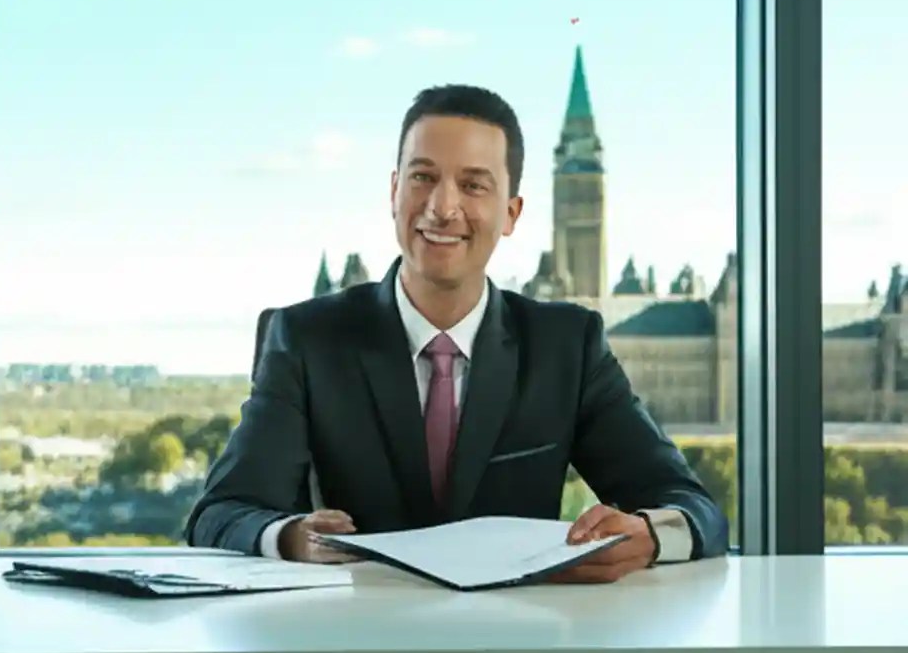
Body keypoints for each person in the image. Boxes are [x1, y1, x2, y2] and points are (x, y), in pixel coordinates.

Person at [185, 84, 729, 582]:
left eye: (473, 185)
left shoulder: (568, 345)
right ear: (394, 191)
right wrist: (290, 536)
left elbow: (692, 507)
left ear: (511, 212)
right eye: (422, 177)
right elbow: (221, 512)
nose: (443, 207)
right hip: (353, 646)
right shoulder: (306, 338)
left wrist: (652, 536)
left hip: (513, 648)